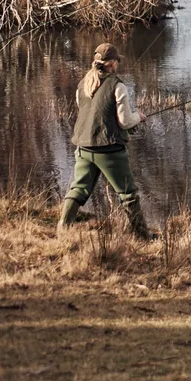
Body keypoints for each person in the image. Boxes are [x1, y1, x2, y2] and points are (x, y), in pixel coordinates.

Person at [59, 44, 151, 238]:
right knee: (128, 194)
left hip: (83, 148)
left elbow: (88, 112)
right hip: (109, 150)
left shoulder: (83, 83)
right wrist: (139, 116)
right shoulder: (118, 86)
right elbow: (125, 122)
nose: (118, 63)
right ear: (112, 63)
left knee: (78, 189)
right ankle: (143, 236)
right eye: (117, 61)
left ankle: (62, 228)